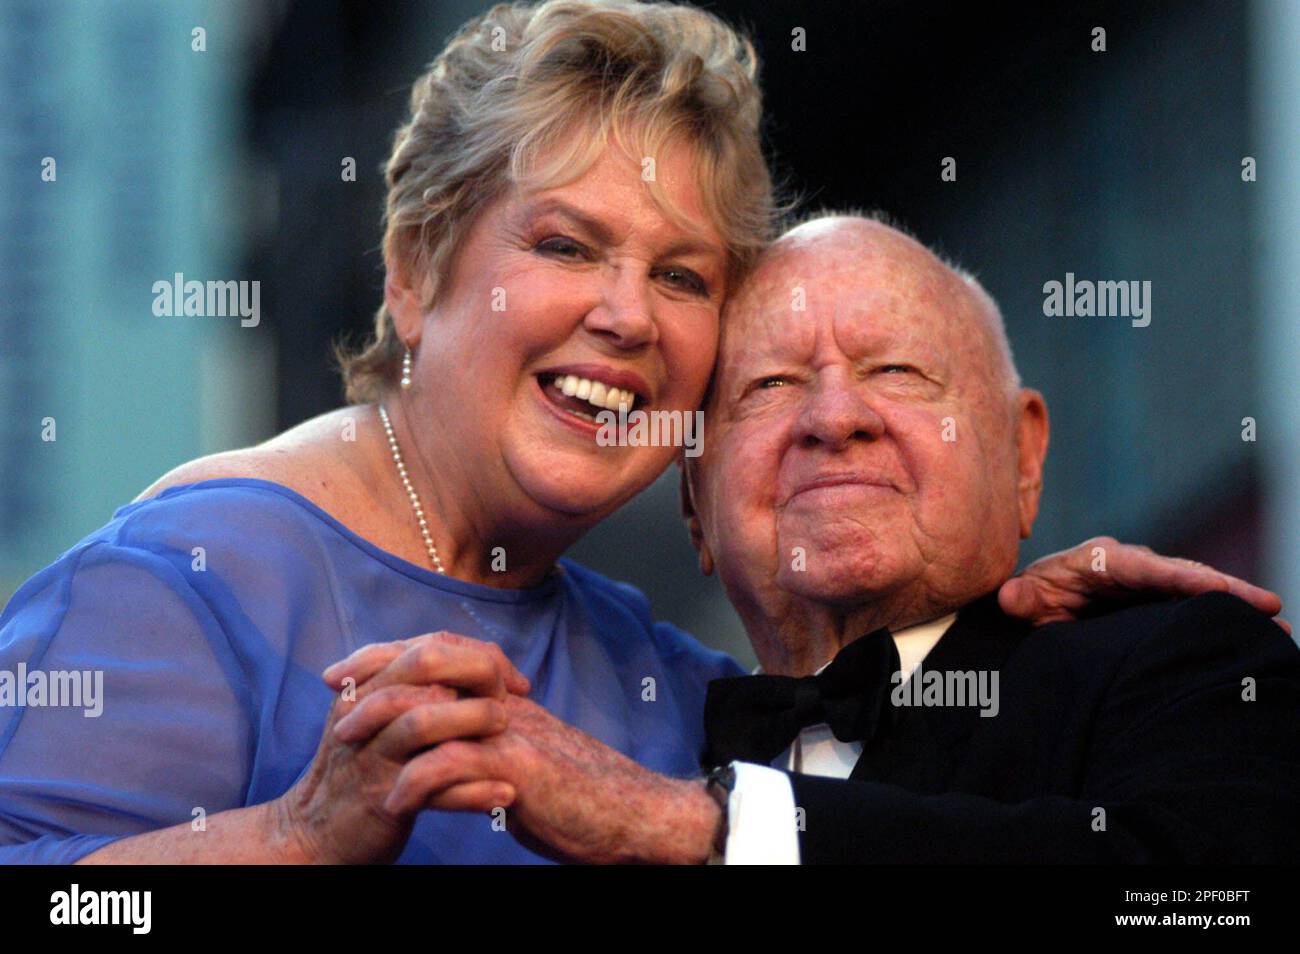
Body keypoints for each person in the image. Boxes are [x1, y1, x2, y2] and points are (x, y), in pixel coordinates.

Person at [0, 1, 1280, 865]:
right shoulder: (188, 583)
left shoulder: (677, 682)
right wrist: (290, 838)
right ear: (413, 270)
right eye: (565, 246)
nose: (624, 315)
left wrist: (993, 609)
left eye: (680, 277)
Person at [340, 214, 1299, 864]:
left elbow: (1204, 905)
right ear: (695, 505)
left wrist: (707, 829)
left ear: (1023, 457)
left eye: (898, 371)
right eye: (771, 387)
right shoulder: (638, 729)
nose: (835, 418)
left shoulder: (1186, 657)